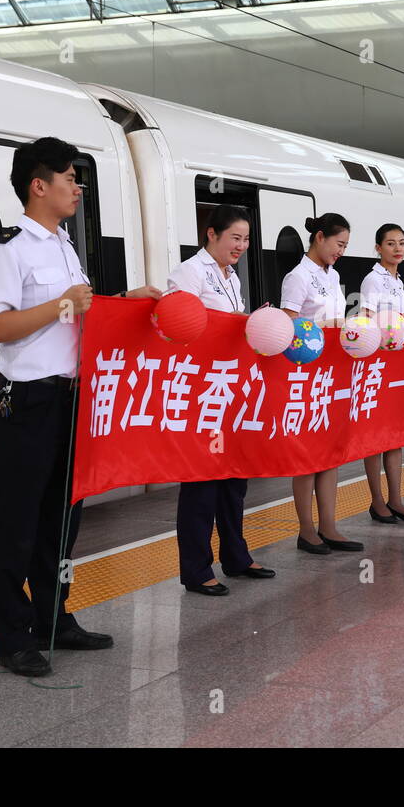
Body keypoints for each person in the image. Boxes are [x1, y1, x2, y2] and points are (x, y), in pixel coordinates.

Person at [0, 136, 161, 678]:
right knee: (15, 524)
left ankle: (53, 617)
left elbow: (80, 316)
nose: (77, 188)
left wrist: (126, 303)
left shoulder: (64, 244)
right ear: (39, 185)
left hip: (73, 397)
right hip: (28, 401)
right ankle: (12, 637)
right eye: (69, 178)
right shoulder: (6, 251)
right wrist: (59, 305)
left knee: (63, 518)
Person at [167, 205, 273, 595]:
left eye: (246, 240)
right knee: (201, 481)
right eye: (235, 238)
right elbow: (178, 325)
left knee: (233, 475)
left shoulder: (231, 277)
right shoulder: (188, 273)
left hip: (229, 388)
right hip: (200, 391)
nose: (241, 246)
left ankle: (237, 555)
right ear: (211, 234)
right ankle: (196, 569)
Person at [280, 212, 361, 554]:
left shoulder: (333, 274)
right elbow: (287, 325)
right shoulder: (297, 277)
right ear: (320, 238)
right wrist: (320, 328)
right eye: (338, 244)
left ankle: (329, 524)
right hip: (307, 374)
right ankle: (306, 528)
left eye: (345, 246)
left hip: (333, 373)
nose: (341, 251)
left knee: (331, 453)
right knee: (308, 455)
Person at [359, 224, 404, 524]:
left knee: (396, 435)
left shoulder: (399, 281)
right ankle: (377, 501)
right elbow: (366, 322)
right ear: (378, 248)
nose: (397, 248)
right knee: (376, 437)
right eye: (390, 243)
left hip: (400, 367)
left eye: (402, 243)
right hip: (378, 366)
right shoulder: (374, 280)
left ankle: (396, 498)